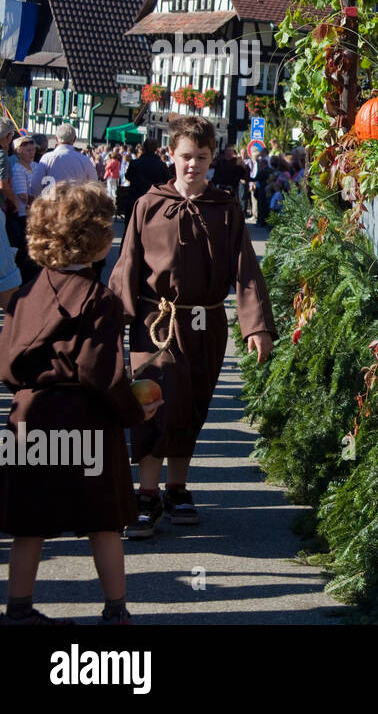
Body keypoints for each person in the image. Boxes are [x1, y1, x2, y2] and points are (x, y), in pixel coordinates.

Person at [0, 183, 161, 625]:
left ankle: (18, 609)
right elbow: (102, 374)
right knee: (104, 519)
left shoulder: (25, 296)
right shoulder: (100, 301)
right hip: (85, 418)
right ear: (96, 237)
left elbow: (7, 365)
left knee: (29, 523)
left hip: (29, 415)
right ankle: (115, 610)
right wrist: (134, 411)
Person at [109, 116, 276, 539]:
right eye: (185, 157)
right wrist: (112, 323)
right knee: (152, 401)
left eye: (201, 157)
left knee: (192, 405)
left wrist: (256, 326)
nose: (192, 165)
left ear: (212, 157)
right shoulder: (149, 204)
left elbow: (246, 270)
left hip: (206, 322)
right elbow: (127, 264)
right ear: (171, 155)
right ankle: (145, 495)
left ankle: (177, 488)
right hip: (156, 321)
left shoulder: (225, 208)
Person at [7, 135, 42, 284]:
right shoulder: (17, 168)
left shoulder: (36, 166)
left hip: (36, 213)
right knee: (27, 250)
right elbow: (23, 195)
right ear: (19, 152)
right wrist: (39, 197)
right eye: (28, 150)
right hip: (24, 215)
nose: (31, 153)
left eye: (33, 150)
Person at [38, 124, 98, 189]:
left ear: (56, 139)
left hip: (52, 197)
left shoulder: (47, 158)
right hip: (76, 197)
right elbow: (94, 184)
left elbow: (35, 187)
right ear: (74, 139)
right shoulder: (85, 160)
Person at [123, 138, 171, 217]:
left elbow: (128, 176)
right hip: (154, 202)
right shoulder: (161, 165)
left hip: (136, 200)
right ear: (156, 149)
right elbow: (167, 181)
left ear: (144, 148)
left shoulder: (135, 163)